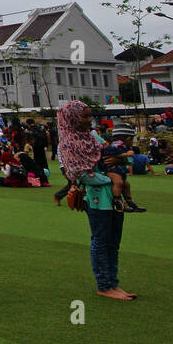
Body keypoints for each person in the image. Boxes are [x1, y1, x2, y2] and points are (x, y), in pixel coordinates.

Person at [57, 99, 135, 301]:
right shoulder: (68, 143)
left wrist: (119, 159)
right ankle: (104, 284)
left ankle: (113, 282)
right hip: (97, 198)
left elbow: (117, 153)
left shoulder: (92, 138)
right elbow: (78, 174)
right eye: (84, 116)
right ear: (72, 118)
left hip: (113, 197)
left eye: (89, 115)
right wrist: (109, 178)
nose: (89, 119)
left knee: (114, 241)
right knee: (101, 240)